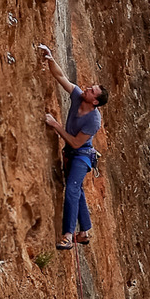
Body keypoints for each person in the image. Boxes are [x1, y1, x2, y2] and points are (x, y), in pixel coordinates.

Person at [40, 44, 109, 250]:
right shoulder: (78, 96)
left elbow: (77, 142)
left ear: (95, 101)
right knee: (76, 189)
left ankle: (68, 236)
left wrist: (56, 125)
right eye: (90, 88)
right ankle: (84, 232)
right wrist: (50, 58)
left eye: (92, 91)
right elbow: (62, 78)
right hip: (73, 152)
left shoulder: (93, 120)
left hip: (82, 155)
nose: (87, 88)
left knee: (72, 188)